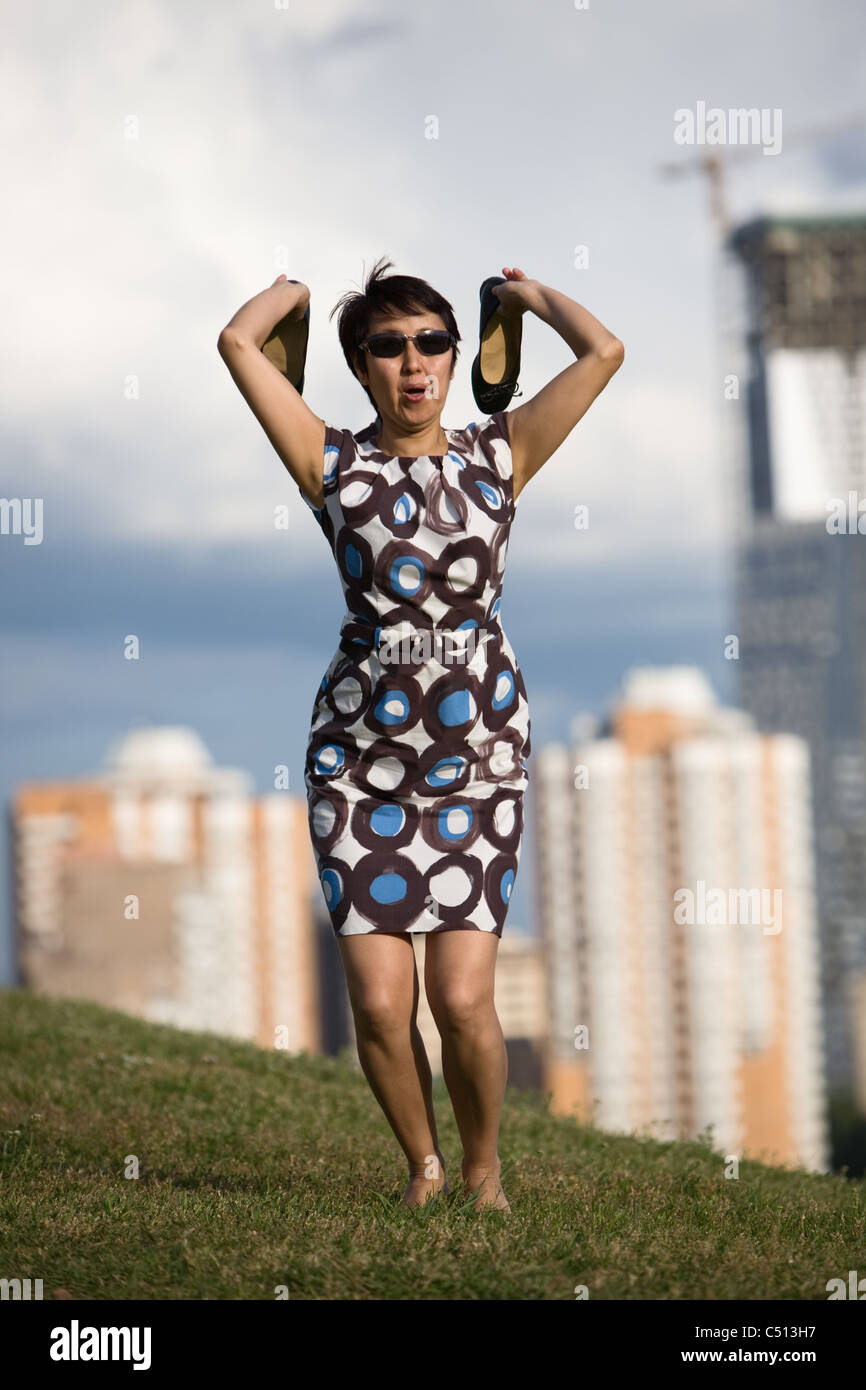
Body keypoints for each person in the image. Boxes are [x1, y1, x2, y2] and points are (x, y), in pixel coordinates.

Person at [217, 258, 623, 1210]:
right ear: (362, 367)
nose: (414, 363)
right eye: (389, 347)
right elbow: (239, 344)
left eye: (432, 342)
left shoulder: (498, 456)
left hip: (477, 763)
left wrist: (519, 302)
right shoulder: (335, 467)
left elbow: (604, 352)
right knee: (378, 1005)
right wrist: (293, 295)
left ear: (451, 356)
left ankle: (481, 1167)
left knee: (465, 1001)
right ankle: (423, 1165)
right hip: (360, 769)